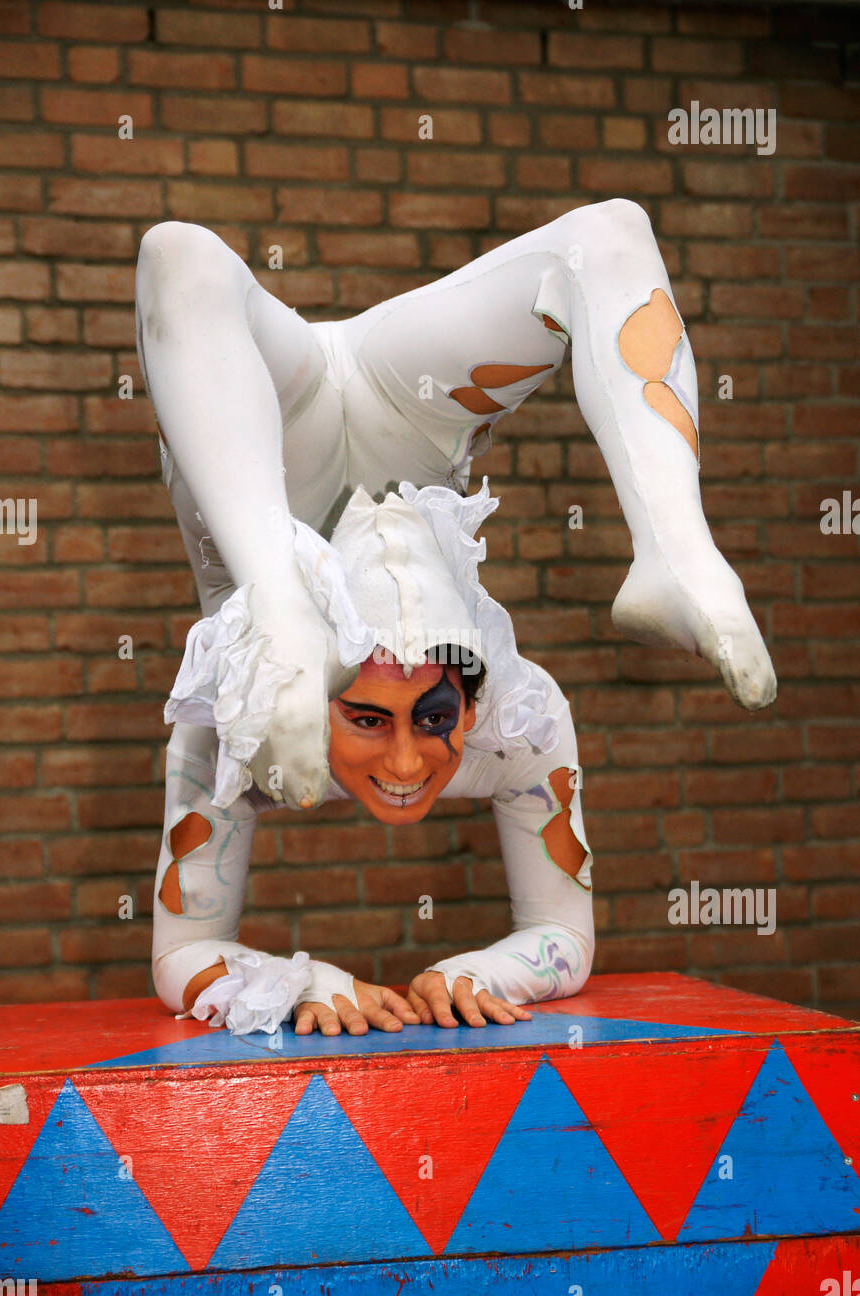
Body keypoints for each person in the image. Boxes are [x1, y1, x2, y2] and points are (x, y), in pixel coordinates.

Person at [135, 198, 777, 838]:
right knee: (611, 232)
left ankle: (276, 603)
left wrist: (268, 605)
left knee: (179, 255)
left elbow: (188, 938)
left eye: (384, 720)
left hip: (270, 451)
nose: (405, 761)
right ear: (472, 715)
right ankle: (675, 546)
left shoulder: (223, 730)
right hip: (405, 432)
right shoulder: (519, 717)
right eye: (385, 719)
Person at [151, 482, 594, 1037]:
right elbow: (178, 953)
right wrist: (296, 984)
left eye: (435, 719)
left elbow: (565, 932)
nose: (406, 765)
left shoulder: (526, 720)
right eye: (368, 721)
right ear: (309, 706)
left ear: (475, 707)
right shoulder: (234, 725)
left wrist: (478, 974)